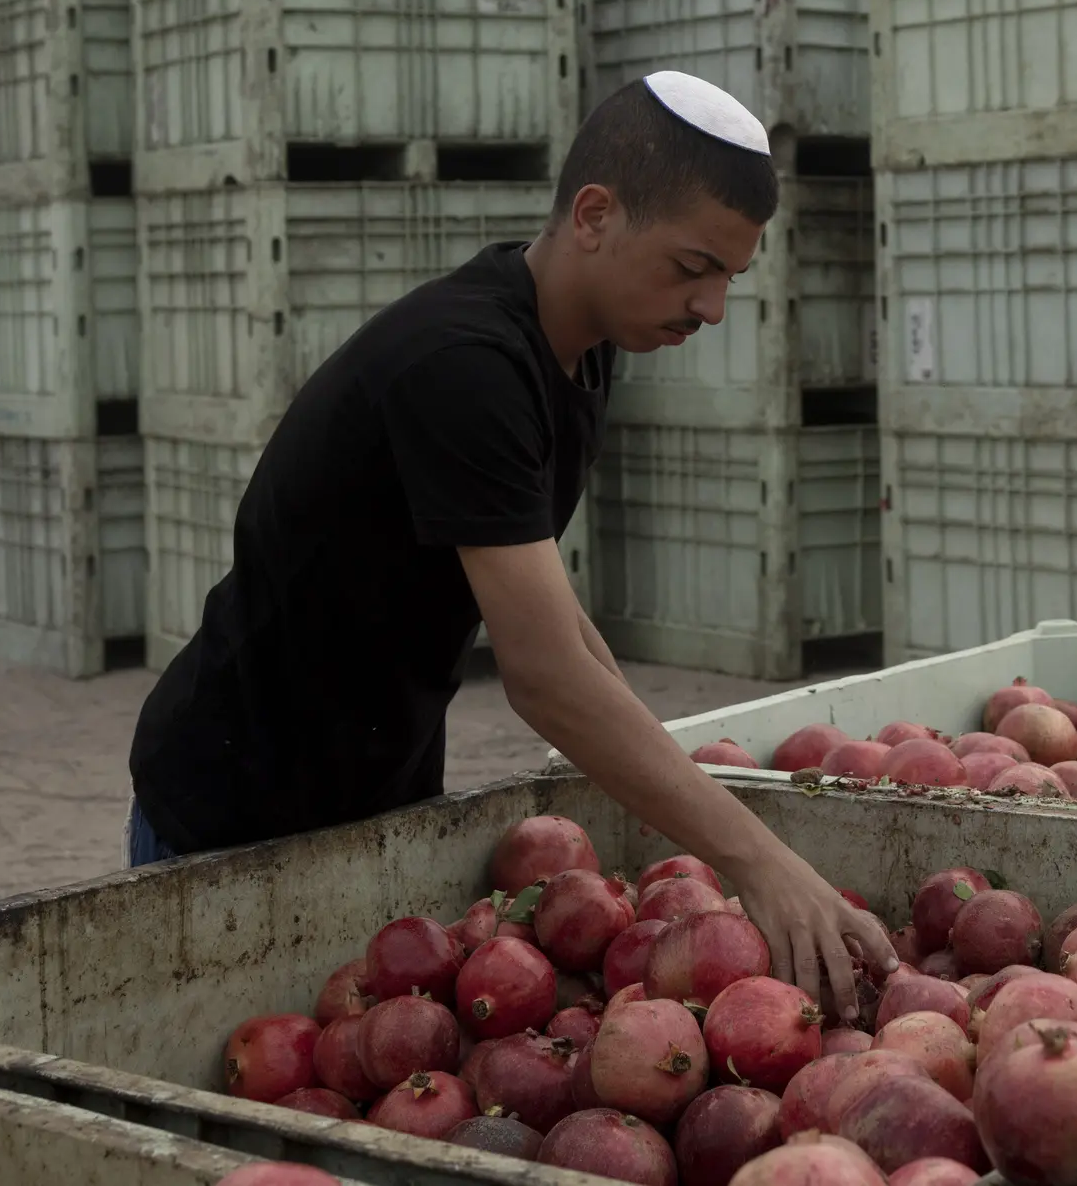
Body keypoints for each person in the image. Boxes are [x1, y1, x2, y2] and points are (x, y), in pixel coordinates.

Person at [126, 72, 895, 1012]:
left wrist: (658, 792)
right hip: (230, 816)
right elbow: (543, 676)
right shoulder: (465, 367)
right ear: (595, 214)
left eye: (730, 278)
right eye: (693, 267)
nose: (712, 308)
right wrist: (759, 861)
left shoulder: (582, 348)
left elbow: (555, 616)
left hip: (373, 799)